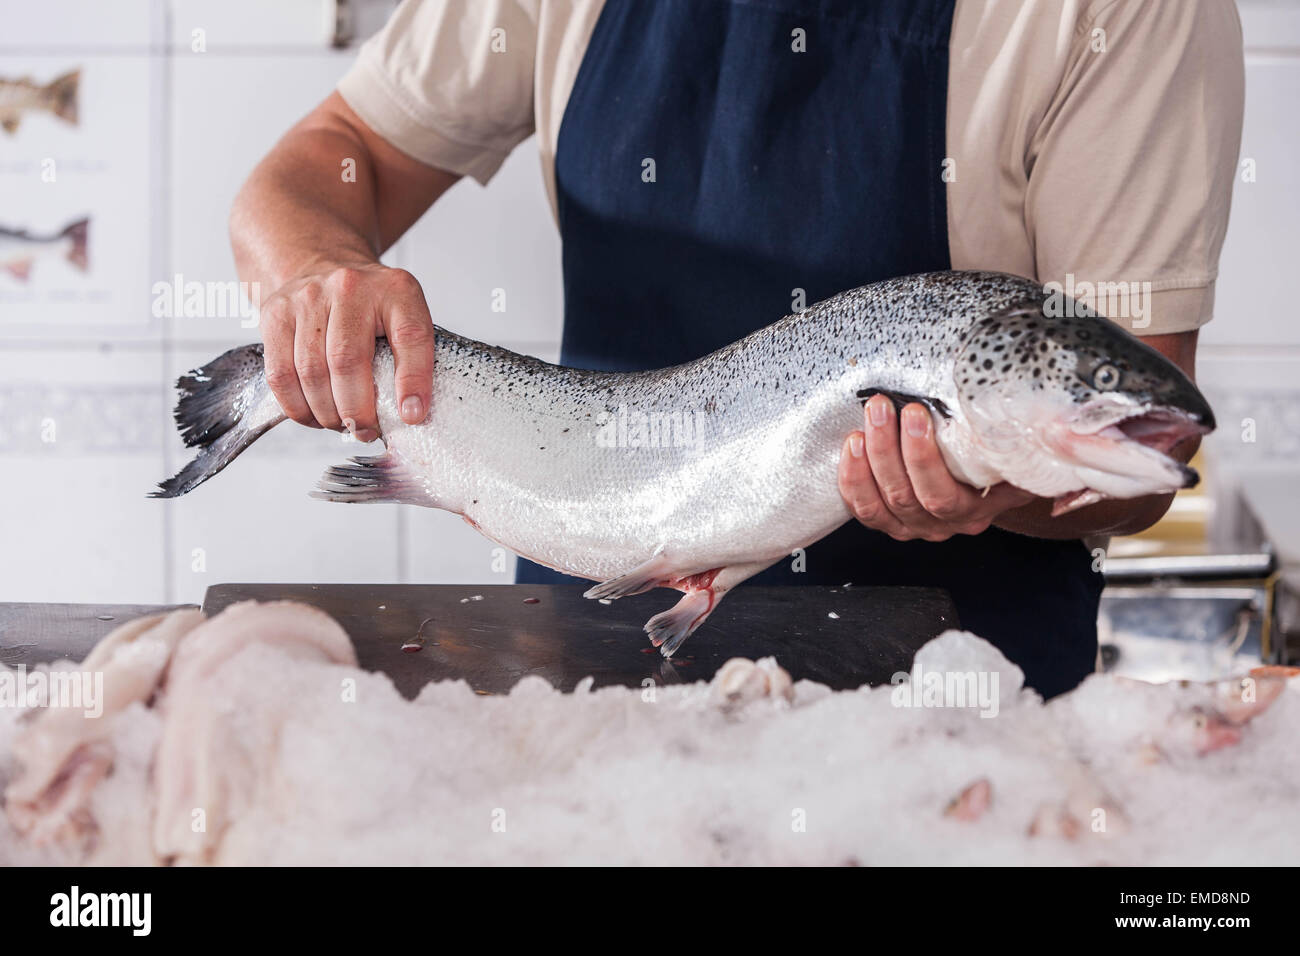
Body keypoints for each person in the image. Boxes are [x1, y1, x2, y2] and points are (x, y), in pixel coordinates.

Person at [230, 0, 1244, 697]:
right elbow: (320, 164)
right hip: (591, 645)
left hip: (954, 707)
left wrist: (996, 488)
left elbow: (1142, 466)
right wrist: (315, 273)